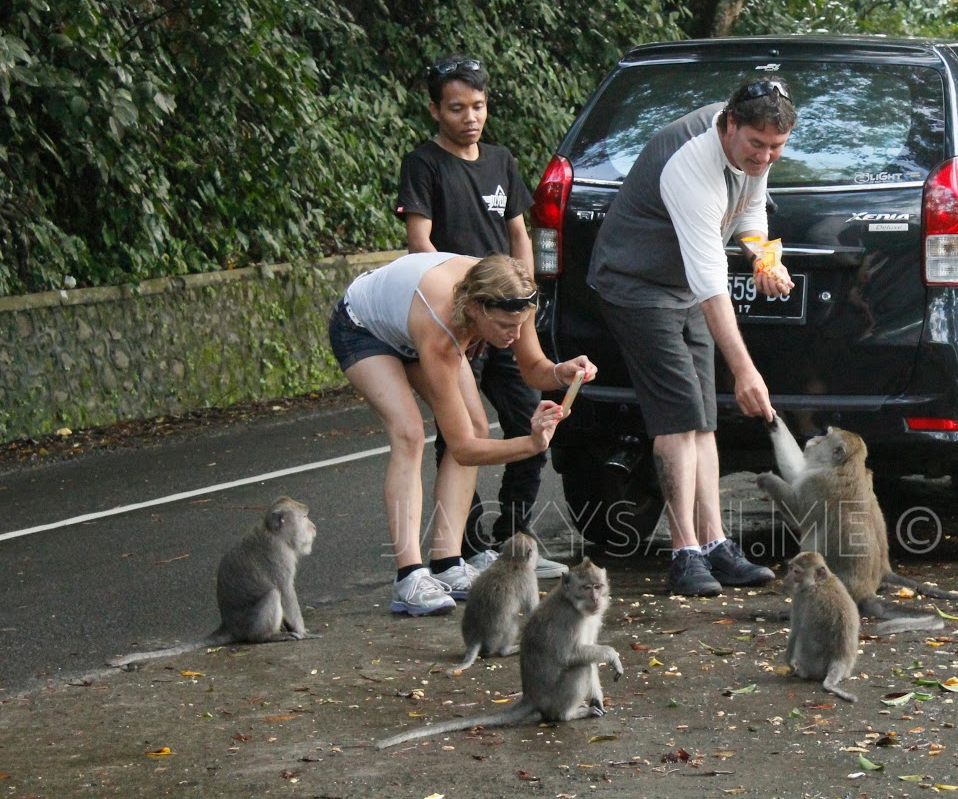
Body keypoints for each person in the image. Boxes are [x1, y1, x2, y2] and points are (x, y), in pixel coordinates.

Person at [587, 77, 797, 595]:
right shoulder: (691, 166)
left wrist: (765, 259)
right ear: (729, 125)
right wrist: (746, 371)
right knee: (678, 415)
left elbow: (750, 208)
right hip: (635, 285)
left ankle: (715, 544)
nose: (766, 156)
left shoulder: (754, 149)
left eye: (776, 148)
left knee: (703, 418)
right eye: (756, 145)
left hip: (680, 285)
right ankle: (684, 552)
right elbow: (711, 284)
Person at [329, 252, 596, 616]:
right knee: (408, 432)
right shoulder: (441, 328)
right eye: (504, 326)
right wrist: (530, 444)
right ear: (475, 308)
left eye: (519, 325)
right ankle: (409, 577)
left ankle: (447, 562)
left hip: (413, 323)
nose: (513, 335)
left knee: (475, 423)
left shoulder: (516, 296)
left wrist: (561, 372)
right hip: (363, 328)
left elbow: (533, 369)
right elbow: (464, 450)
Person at [396, 54, 567, 580]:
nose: (470, 117)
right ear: (434, 110)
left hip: (508, 316)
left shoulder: (500, 160)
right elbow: (420, 244)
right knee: (459, 435)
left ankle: (515, 538)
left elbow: (519, 233)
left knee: (532, 420)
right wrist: (456, 305)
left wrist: (526, 294)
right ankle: (465, 549)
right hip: (457, 320)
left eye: (479, 106)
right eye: (456, 108)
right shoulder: (424, 164)